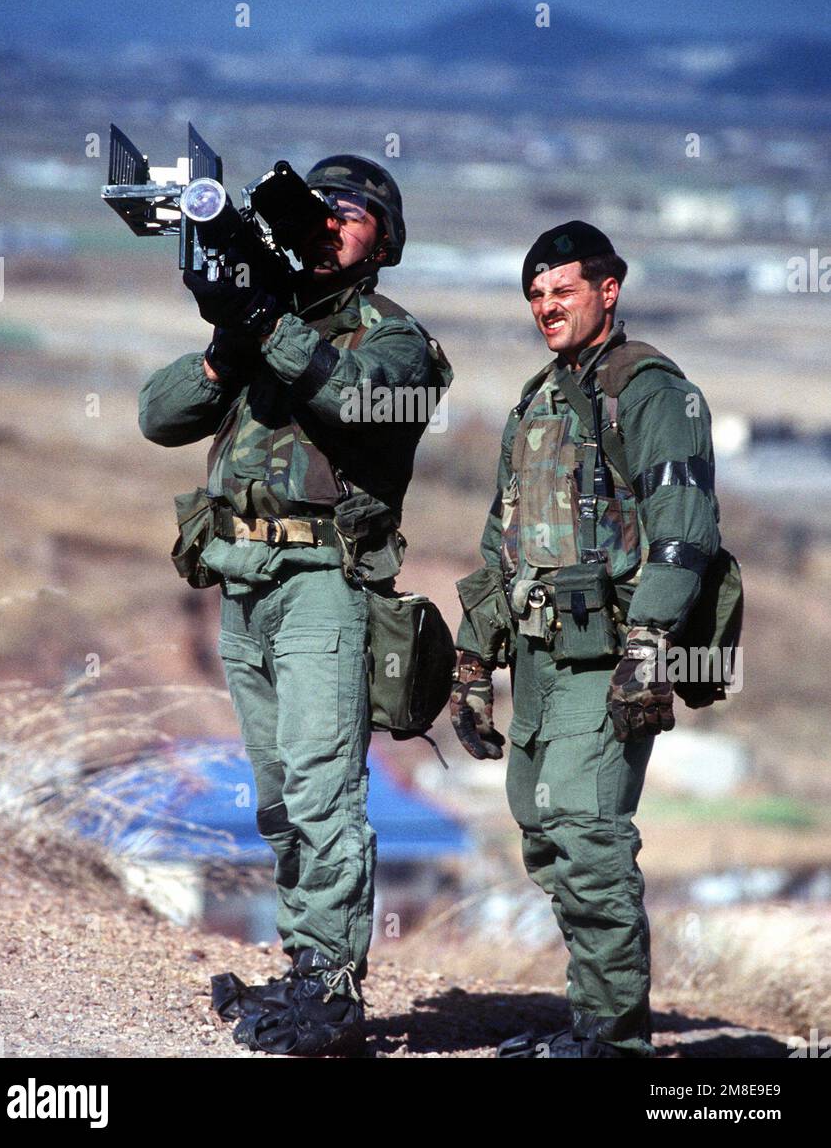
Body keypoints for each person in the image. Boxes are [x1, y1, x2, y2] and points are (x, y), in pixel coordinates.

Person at [138, 155, 451, 1057]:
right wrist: (224, 345)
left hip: (325, 586)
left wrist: (268, 325)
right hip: (242, 580)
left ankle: (335, 988)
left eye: (350, 215)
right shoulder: (268, 323)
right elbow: (158, 416)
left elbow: (358, 404)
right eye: (318, 209)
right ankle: (305, 962)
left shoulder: (395, 341)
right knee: (277, 798)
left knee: (323, 788)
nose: (329, 224)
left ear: (381, 242)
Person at [450, 220, 722, 1059]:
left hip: (608, 655)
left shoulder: (649, 392)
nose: (545, 306)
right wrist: (471, 658)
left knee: (588, 833)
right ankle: (591, 1024)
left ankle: (614, 1042)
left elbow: (684, 533)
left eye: (561, 289)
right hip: (536, 656)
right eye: (535, 294)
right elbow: (504, 540)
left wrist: (648, 646)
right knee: (542, 827)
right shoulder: (536, 400)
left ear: (609, 290)